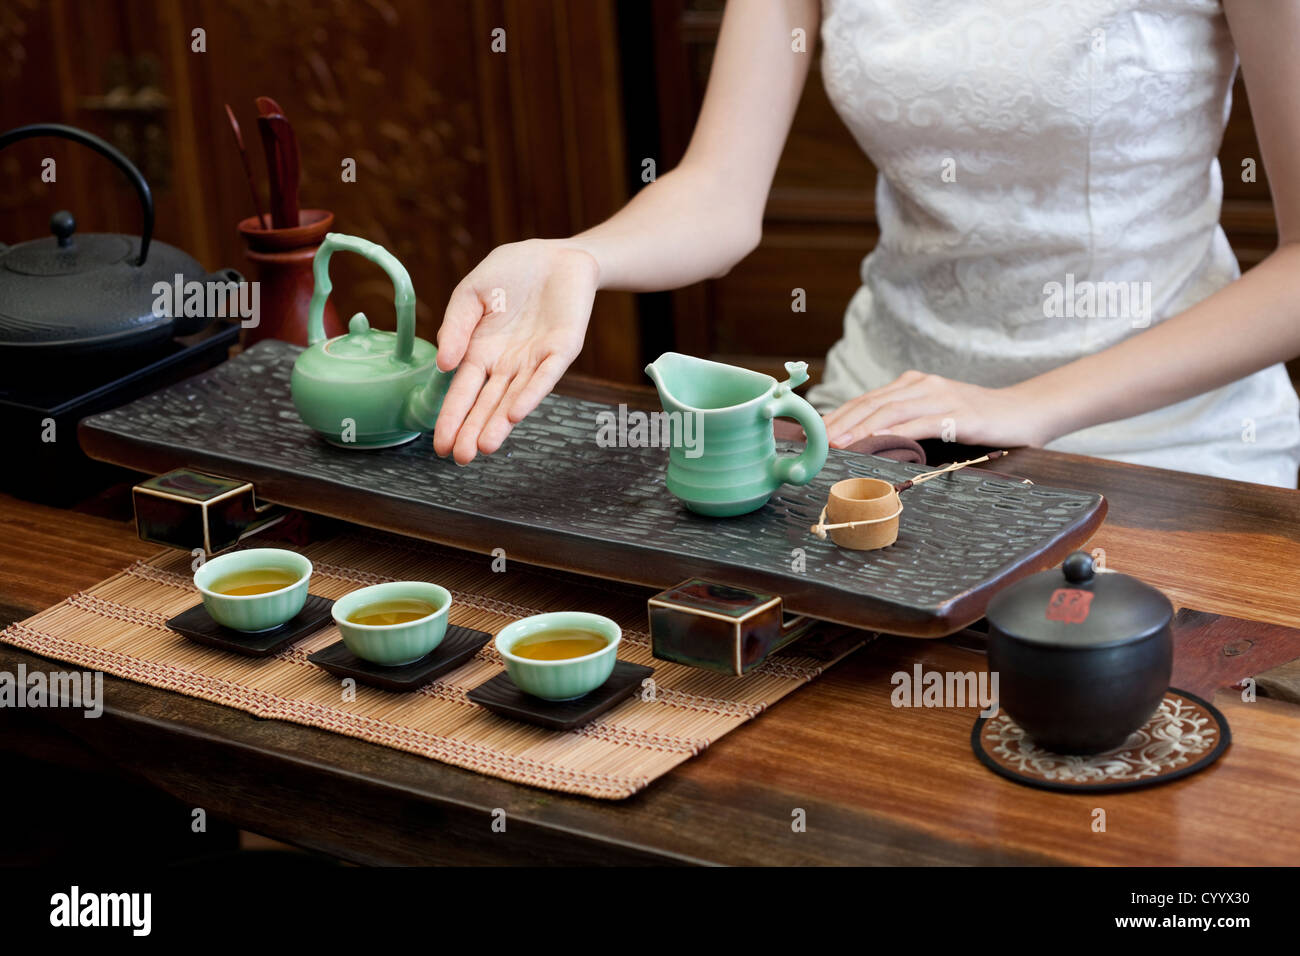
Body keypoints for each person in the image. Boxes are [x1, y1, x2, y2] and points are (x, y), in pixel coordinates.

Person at [430, 0, 1300, 488]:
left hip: (1167, 442)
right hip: (881, 421)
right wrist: (582, 256)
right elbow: (718, 196)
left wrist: (1029, 405)